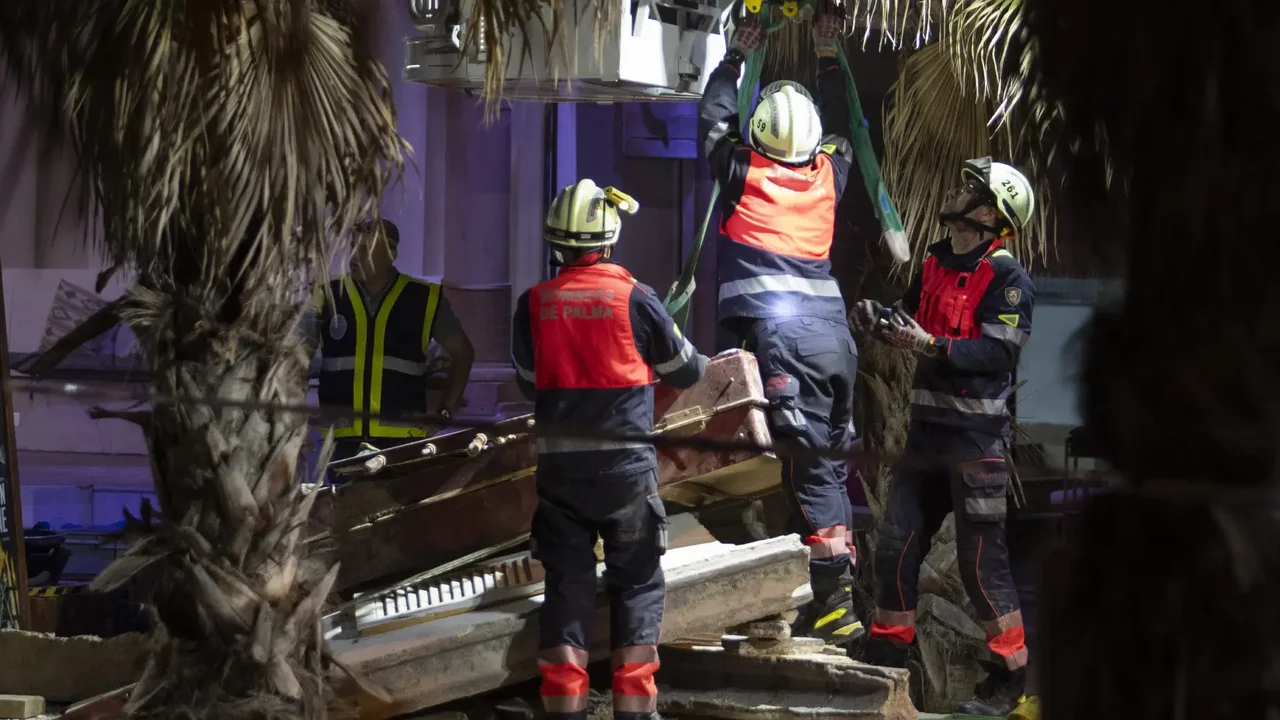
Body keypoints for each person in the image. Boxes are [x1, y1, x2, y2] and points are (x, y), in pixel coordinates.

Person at [697, 6, 864, 645]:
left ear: (761, 136)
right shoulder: (830, 176)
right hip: (835, 341)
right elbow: (843, 125)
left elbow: (714, 118)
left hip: (786, 343)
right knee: (828, 465)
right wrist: (827, 54)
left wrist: (736, 56)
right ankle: (831, 590)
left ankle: (835, 601)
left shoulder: (743, 173)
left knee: (809, 471)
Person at [512, 179, 708, 720]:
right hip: (625, 472)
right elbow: (687, 370)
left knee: (566, 588)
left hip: (560, 475)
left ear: (555, 241)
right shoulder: (636, 298)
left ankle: (564, 707)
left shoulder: (532, 304)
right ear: (610, 238)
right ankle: (634, 709)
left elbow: (529, 382)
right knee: (637, 584)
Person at [851, 157, 1037, 717]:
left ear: (991, 214)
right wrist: (879, 319)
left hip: (975, 446)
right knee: (895, 547)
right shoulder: (934, 261)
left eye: (969, 190)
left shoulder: (1008, 279)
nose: (956, 193)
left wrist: (930, 346)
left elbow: (998, 351)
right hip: (925, 440)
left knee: (982, 568)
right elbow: (908, 316)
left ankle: (1008, 681)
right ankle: (887, 661)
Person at [307, 219, 475, 466]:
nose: (354, 256)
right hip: (341, 440)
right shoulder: (328, 295)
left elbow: (463, 353)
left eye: (365, 248)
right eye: (353, 246)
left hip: (403, 439)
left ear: (390, 254)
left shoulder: (423, 298)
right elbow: (296, 357)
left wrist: (445, 411)